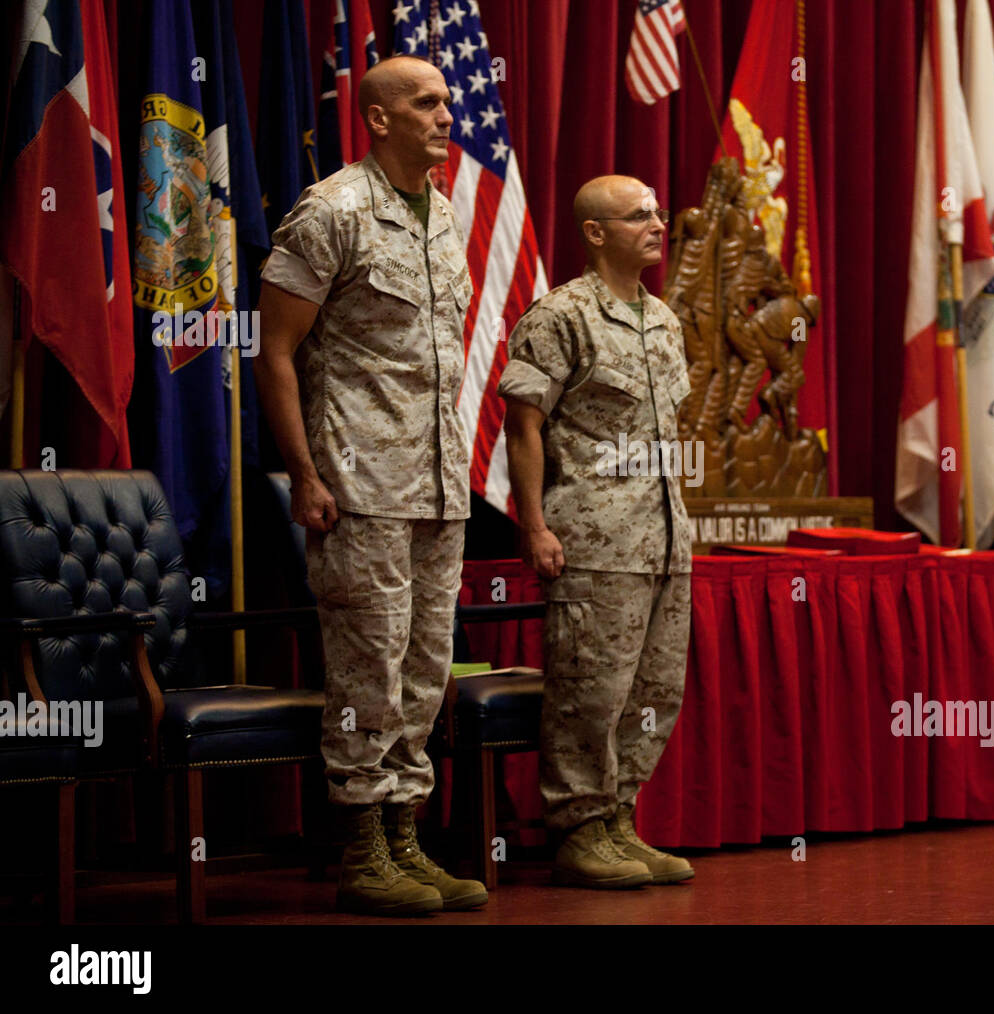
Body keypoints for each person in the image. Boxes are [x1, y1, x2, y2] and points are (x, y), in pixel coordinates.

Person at [254, 56, 486, 916]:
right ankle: (360, 846)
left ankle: (405, 837)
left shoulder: (447, 215)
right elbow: (275, 351)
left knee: (425, 669)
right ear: (378, 118)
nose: (444, 114)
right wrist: (305, 473)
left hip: (437, 484)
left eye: (447, 101)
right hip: (358, 483)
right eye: (426, 102)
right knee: (368, 672)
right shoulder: (331, 212)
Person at [499, 175, 695, 889]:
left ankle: (619, 819)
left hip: (665, 541)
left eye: (656, 213)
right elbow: (523, 425)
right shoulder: (560, 317)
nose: (656, 224)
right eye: (637, 215)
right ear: (594, 232)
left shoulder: (664, 320)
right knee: (592, 691)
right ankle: (579, 828)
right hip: (593, 538)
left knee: (653, 692)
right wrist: (535, 524)